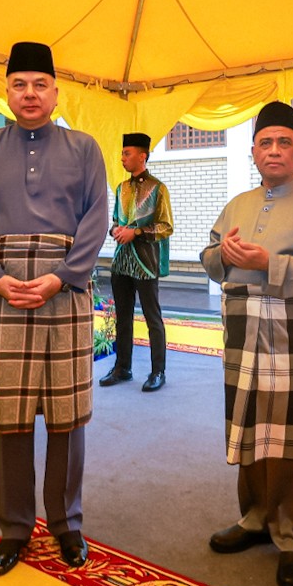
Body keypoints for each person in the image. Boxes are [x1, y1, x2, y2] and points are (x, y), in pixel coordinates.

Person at [0, 41, 110, 576]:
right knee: (11, 418)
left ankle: (67, 524)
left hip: (64, 287)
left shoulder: (85, 147)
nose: (30, 93)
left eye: (39, 84)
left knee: (68, 416)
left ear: (55, 91)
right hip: (4, 288)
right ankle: (15, 529)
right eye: (19, 83)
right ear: (6, 91)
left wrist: (62, 276)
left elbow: (97, 216)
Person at [201, 101, 293, 586]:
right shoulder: (239, 202)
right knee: (249, 423)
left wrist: (271, 262)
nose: (274, 150)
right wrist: (221, 255)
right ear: (253, 151)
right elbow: (208, 253)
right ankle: (254, 518)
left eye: (284, 141)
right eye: (265, 142)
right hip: (242, 323)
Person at [99, 132, 174, 392]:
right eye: (122, 153)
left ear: (142, 156)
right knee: (123, 317)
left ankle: (158, 371)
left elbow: (166, 227)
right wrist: (116, 231)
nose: (122, 158)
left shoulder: (158, 188)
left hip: (145, 262)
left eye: (126, 153)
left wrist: (137, 232)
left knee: (153, 317)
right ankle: (123, 368)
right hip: (121, 263)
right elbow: (115, 222)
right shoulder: (121, 188)